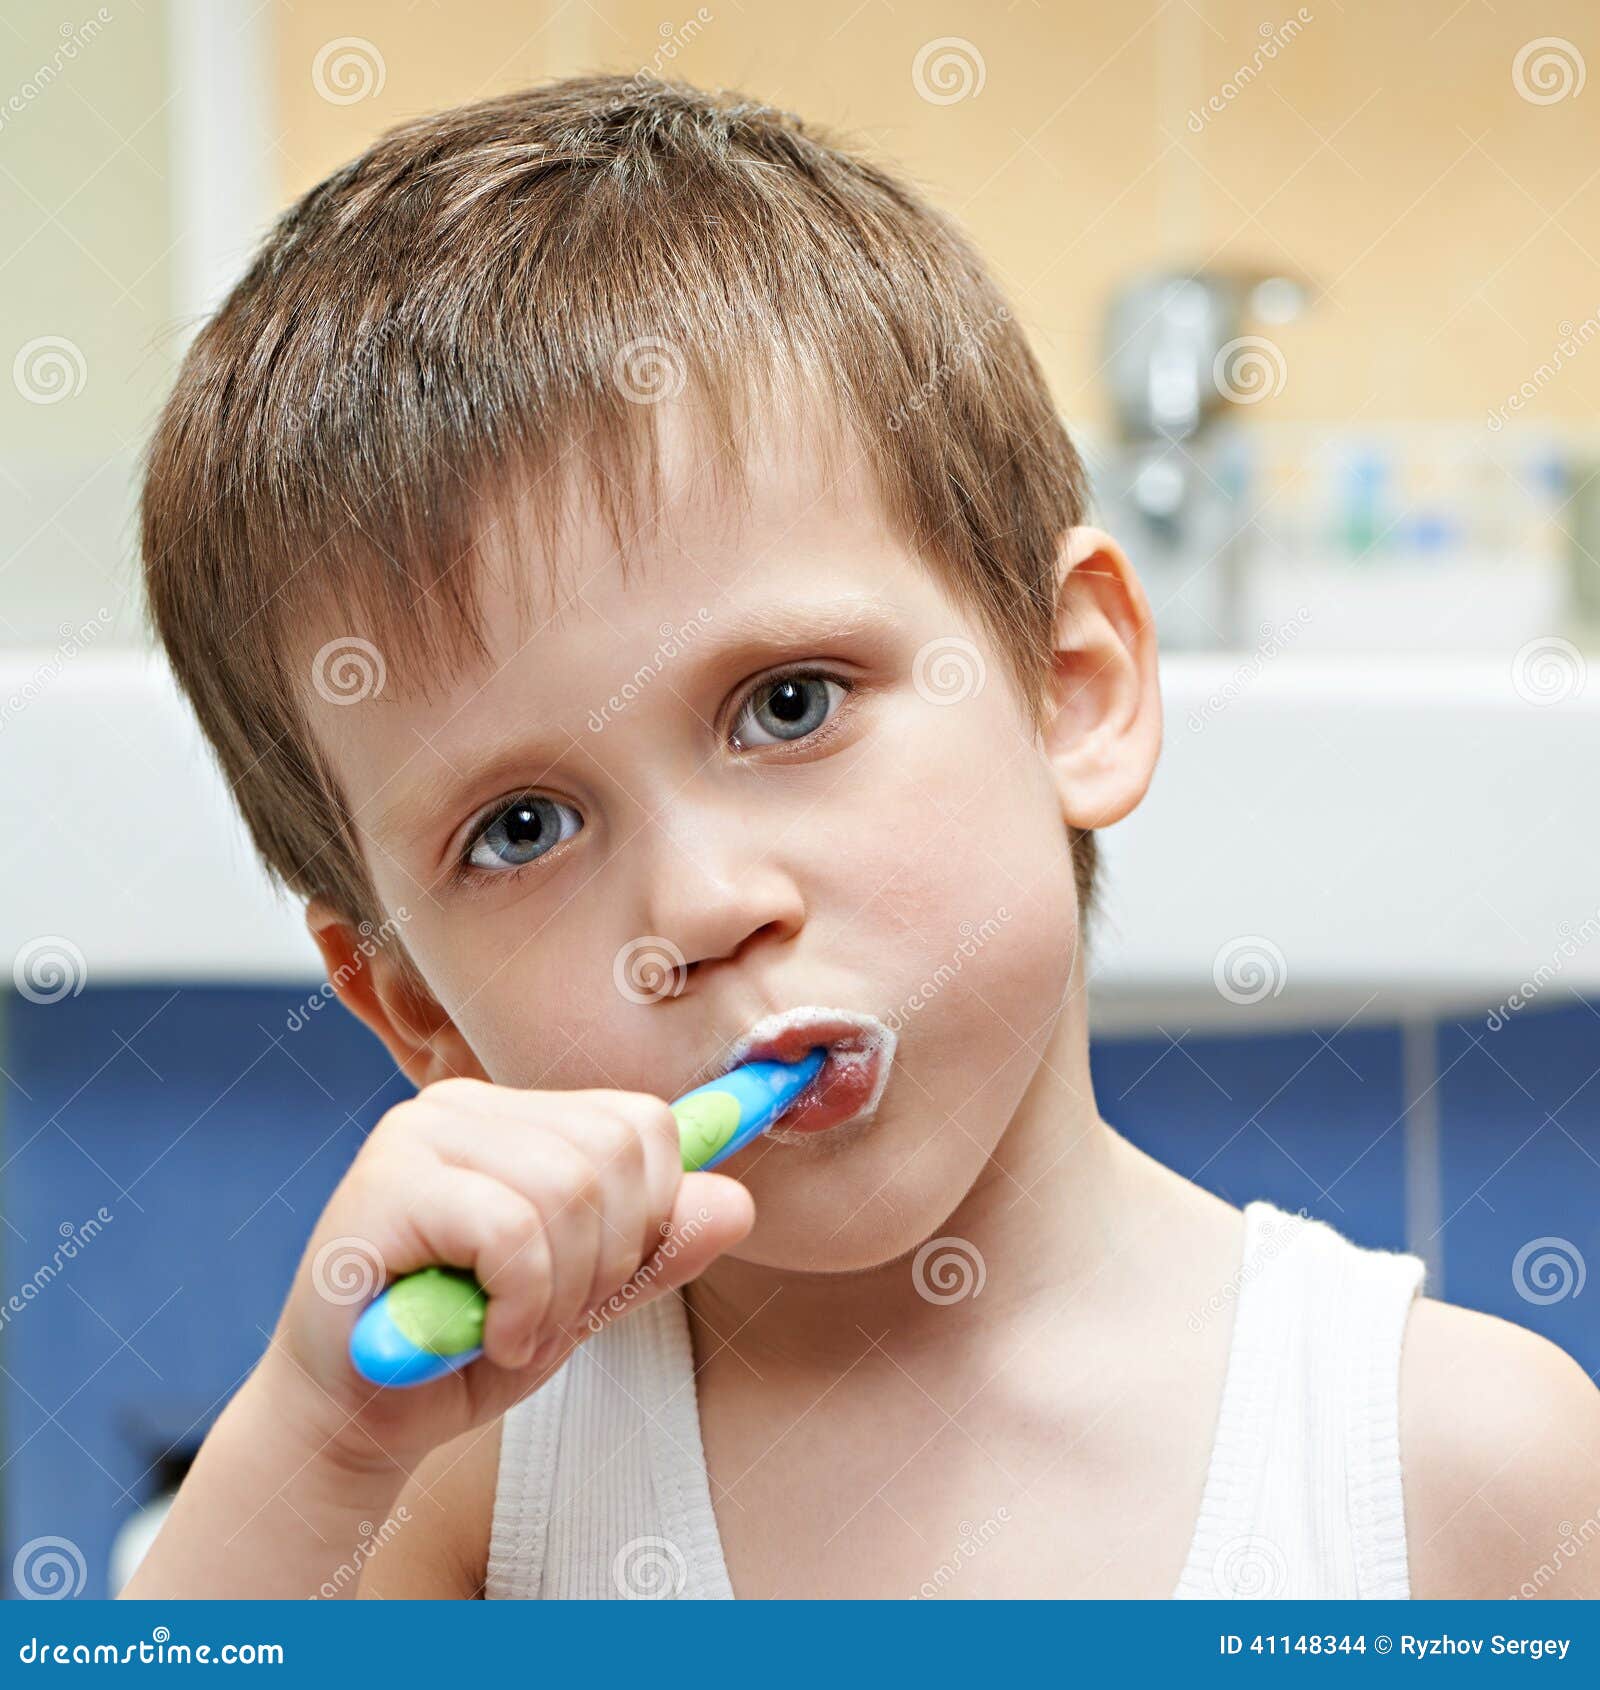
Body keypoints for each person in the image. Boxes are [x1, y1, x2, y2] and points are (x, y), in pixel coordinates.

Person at [124, 75, 1599, 1600]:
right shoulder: (455, 1482)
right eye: (522, 827)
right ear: (413, 1004)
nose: (703, 905)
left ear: (1070, 686)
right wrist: (314, 1447)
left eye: (789, 704)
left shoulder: (1455, 1471)